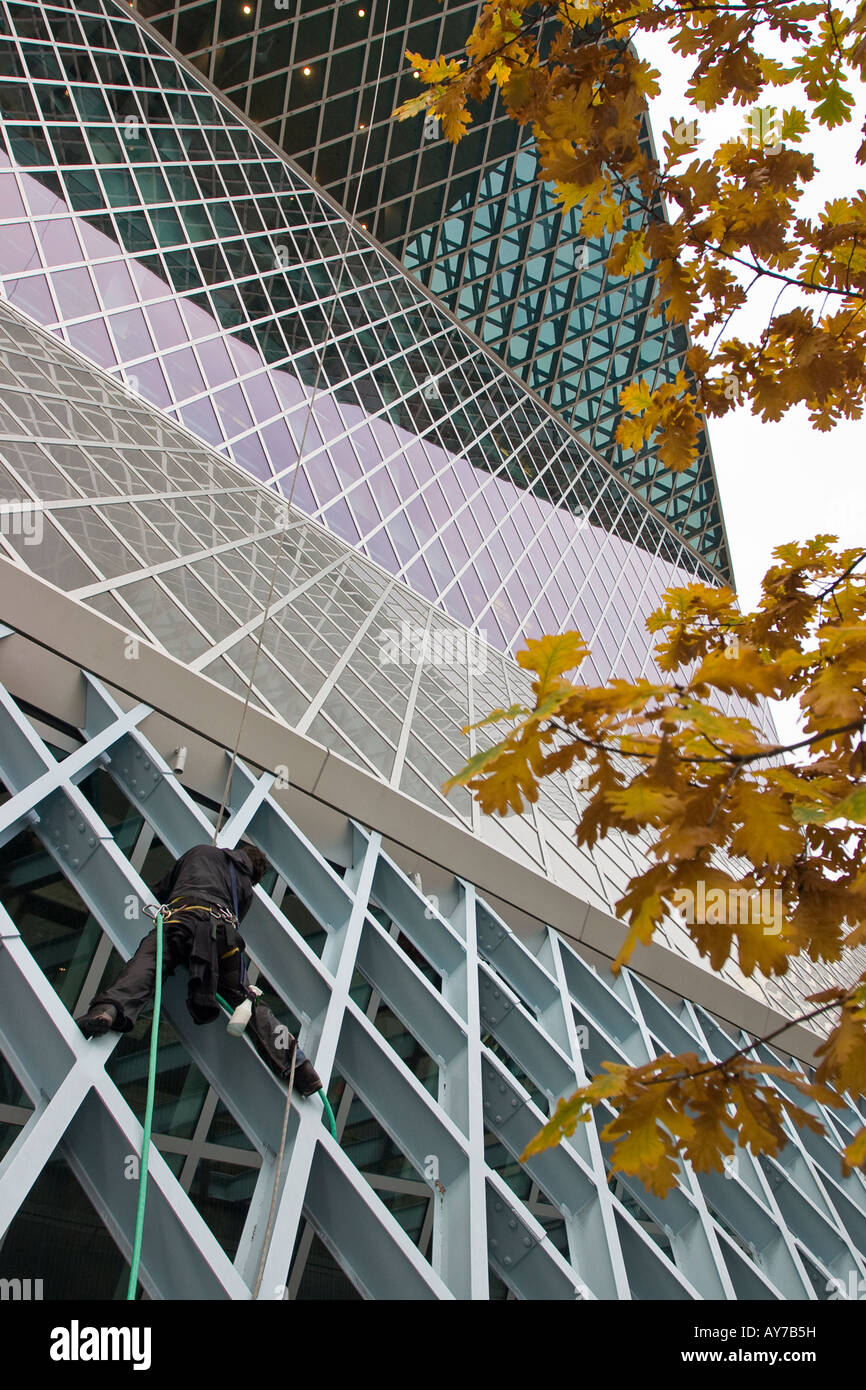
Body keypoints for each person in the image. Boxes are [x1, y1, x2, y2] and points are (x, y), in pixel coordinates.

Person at [76, 842, 322, 1097]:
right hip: (220, 935)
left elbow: (163, 888)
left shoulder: (200, 851)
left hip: (181, 918)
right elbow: (235, 923)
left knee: (146, 965)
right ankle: (300, 1068)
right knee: (246, 1001)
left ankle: (108, 1010)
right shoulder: (246, 887)